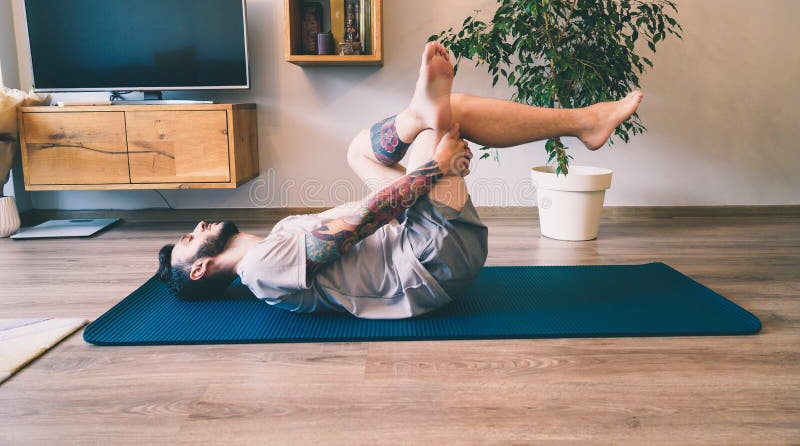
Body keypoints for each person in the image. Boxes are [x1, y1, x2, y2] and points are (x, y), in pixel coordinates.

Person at [157, 42, 643, 319]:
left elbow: (359, 214)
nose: (197, 226)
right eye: (189, 239)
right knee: (454, 117)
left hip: (415, 240)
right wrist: (435, 168)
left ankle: (417, 112)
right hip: (430, 259)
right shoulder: (262, 267)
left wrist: (418, 167)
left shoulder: (273, 246)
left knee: (357, 149)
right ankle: (585, 122)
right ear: (199, 269)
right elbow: (365, 221)